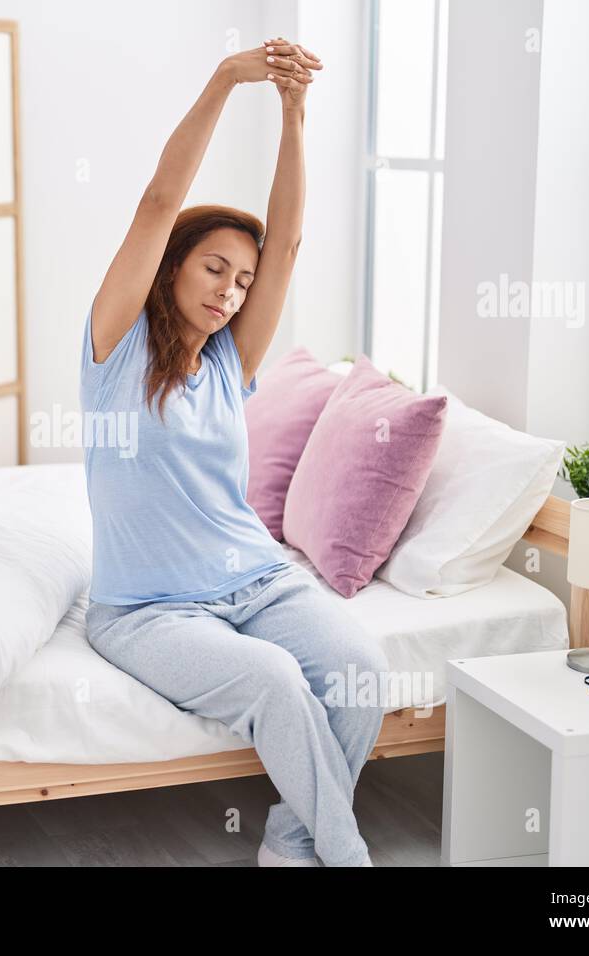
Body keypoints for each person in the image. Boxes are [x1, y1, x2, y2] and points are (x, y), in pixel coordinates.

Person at [80, 37, 390, 868]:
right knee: (274, 683)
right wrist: (226, 80)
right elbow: (156, 200)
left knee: (361, 669)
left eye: (242, 281)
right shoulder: (114, 348)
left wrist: (294, 111)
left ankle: (293, 849)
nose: (230, 290)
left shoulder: (228, 361)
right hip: (147, 612)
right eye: (215, 268)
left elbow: (286, 244)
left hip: (257, 579)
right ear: (173, 266)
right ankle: (349, 854)